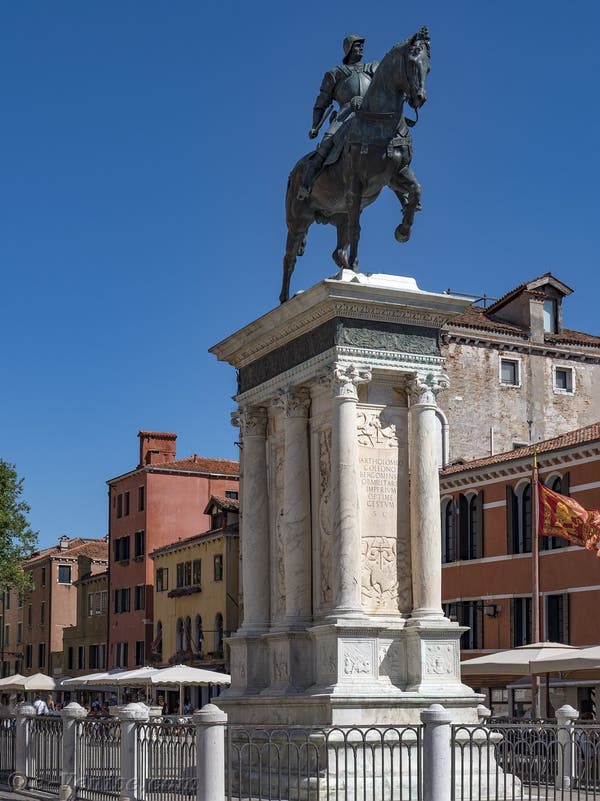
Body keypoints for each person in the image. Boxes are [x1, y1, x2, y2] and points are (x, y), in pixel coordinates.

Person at [297, 35, 379, 199]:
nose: (361, 48)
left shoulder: (373, 68)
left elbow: (384, 88)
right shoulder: (336, 73)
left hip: (371, 112)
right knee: (327, 143)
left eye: (362, 45)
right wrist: (315, 125)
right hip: (345, 115)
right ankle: (306, 184)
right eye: (357, 45)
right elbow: (321, 102)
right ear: (349, 49)